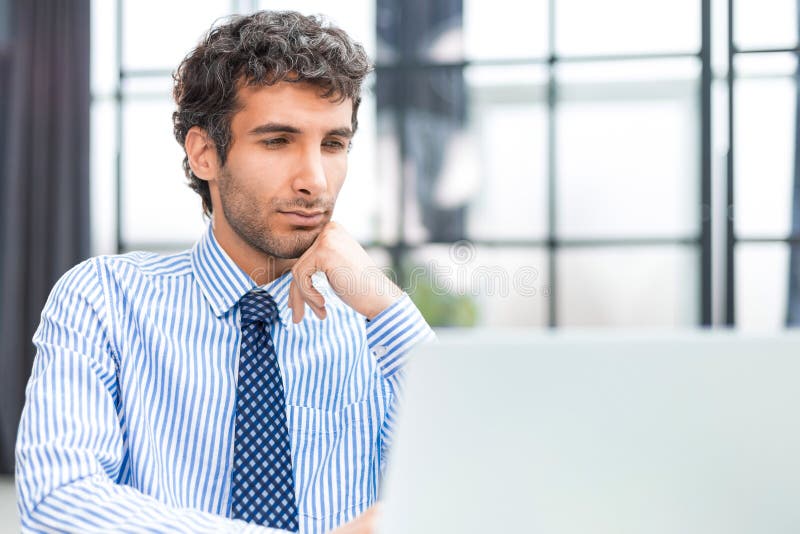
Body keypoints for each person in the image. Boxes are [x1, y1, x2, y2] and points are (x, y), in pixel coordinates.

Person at [15, 10, 434, 534]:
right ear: (204, 154)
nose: (315, 181)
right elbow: (59, 502)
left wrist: (387, 307)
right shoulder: (103, 300)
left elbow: (478, 482)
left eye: (333, 144)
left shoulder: (373, 324)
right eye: (277, 141)